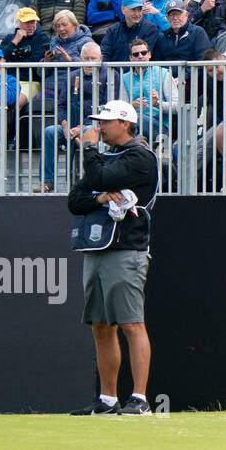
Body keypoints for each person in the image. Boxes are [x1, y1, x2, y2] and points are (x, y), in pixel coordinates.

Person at [66, 99, 160, 416]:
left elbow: (98, 179)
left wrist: (89, 149)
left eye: (105, 122)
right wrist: (101, 198)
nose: (100, 127)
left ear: (125, 124)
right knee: (101, 326)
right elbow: (76, 200)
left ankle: (140, 399)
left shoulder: (140, 156)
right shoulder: (106, 158)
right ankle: (108, 400)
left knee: (131, 324)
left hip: (127, 249)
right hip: (97, 248)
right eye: (99, 122)